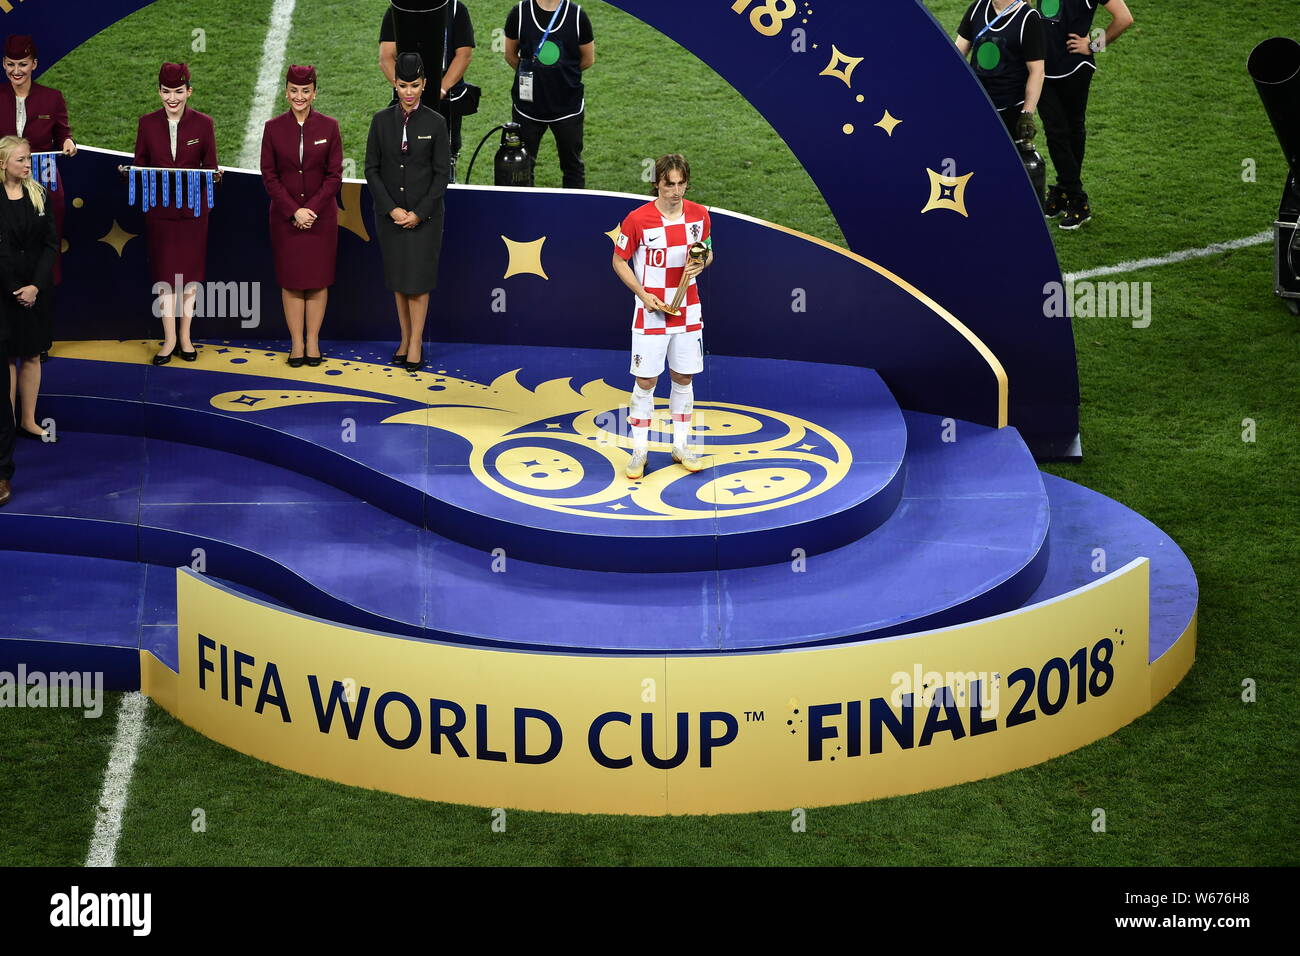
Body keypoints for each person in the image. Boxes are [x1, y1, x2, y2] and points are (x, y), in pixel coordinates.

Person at [611, 154, 713, 480]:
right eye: (669, 184)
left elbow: (706, 250)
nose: (676, 191)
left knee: (683, 378)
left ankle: (680, 446)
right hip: (651, 312)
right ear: (657, 183)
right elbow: (619, 260)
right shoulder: (637, 219)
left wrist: (703, 263)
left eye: (682, 183)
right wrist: (643, 295)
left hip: (688, 310)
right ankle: (639, 451)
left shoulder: (699, 215)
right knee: (646, 381)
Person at [365, 52, 450, 372]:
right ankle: (404, 338)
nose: (409, 91)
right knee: (399, 281)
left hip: (425, 219)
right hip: (390, 218)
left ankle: (415, 343)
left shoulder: (436, 123)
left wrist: (419, 212)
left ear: (425, 85)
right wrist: (391, 209)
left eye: (415, 85)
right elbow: (371, 169)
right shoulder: (380, 121)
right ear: (395, 84)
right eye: (403, 85)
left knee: (418, 282)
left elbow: (442, 174)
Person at [132, 62, 219, 366]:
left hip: (194, 212)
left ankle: (186, 336)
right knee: (166, 277)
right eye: (167, 91)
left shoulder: (204, 124)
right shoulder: (146, 123)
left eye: (179, 91)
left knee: (190, 278)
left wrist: (210, 178)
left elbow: (210, 166)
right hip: (160, 212)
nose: (173, 98)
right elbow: (140, 164)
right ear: (159, 92)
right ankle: (169, 339)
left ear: (189, 91)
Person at [260, 65, 343, 367]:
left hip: (321, 219)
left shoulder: (329, 127)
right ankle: (296, 344)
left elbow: (334, 176)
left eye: (305, 91)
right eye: (294, 91)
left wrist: (312, 210)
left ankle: (313, 342)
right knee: (293, 282)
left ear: (314, 93)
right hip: (286, 219)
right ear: (286, 92)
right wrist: (294, 210)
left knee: (317, 281)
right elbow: (269, 176)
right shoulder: (273, 128)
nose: (299, 96)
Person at [0, 35, 75, 365]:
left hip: (43, 187)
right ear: (5, 65)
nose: (17, 71)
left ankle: (40, 337)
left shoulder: (53, 97)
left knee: (46, 257)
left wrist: (69, 141)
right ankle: (8, 334)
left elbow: (64, 134)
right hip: (3, 191)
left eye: (23, 65)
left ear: (34, 65)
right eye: (11, 65)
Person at [1035, 0, 1134, 229]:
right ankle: (1068, 193)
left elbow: (1124, 18)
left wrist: (1093, 45)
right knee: (1055, 131)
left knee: (1072, 130)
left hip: (1075, 68)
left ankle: (1073, 197)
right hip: (1043, 69)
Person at [0, 136, 57, 483]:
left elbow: (50, 244)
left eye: (29, 160)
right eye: (20, 160)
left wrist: (35, 286)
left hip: (36, 289)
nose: (27, 165)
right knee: (5, 357)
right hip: (4, 291)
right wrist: (13, 289)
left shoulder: (39, 194)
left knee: (32, 354)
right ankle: (5, 424)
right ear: (3, 162)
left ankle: (29, 419)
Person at [379, 0, 474, 182]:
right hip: (405, 103)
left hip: (444, 101)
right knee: (404, 154)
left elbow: (464, 55)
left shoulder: (456, 9)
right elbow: (386, 57)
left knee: (444, 154)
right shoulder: (398, 9)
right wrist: (406, 89)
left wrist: (441, 88)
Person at [504, 0, 595, 189]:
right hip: (528, 108)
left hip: (567, 108)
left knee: (572, 167)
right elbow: (511, 55)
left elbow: (588, 59)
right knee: (522, 167)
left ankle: (573, 212)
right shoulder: (519, 13)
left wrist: (564, 76)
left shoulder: (577, 16)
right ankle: (524, 213)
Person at [955, 0, 1045, 144]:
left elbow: (1037, 71)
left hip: (1010, 110)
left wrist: (1027, 114)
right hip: (976, 105)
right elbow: (957, 54)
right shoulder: (977, 8)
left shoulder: (1028, 17)